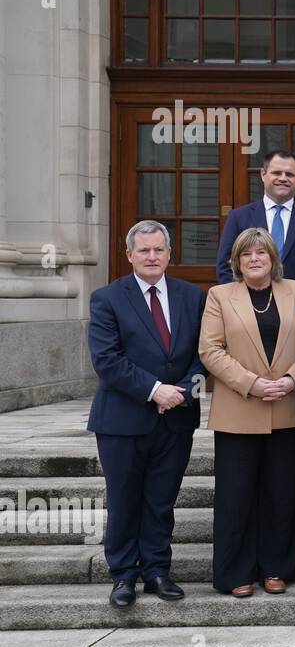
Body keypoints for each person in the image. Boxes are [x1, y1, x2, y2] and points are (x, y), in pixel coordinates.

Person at [87, 221, 205, 607]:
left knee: (161, 499)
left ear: (170, 254)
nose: (152, 257)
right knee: (124, 498)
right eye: (144, 251)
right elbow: (107, 359)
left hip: (175, 420)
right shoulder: (107, 298)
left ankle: (156, 570)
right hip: (122, 420)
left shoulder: (192, 296)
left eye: (159, 250)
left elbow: (203, 354)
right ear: (129, 256)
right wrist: (155, 390)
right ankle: (123, 575)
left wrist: (182, 393)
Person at [199, 228, 295, 597]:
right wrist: (251, 383)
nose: (254, 259)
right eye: (246, 254)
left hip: (287, 406)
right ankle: (236, 572)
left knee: (282, 493)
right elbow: (210, 350)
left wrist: (293, 380)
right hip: (239, 408)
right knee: (236, 495)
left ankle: (278, 568)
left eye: (261, 253)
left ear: (273, 258)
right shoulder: (219, 295)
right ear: (237, 261)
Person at [216, 150, 295, 285]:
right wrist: (241, 300)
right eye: (276, 173)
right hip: (247, 302)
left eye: (289, 174)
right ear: (263, 174)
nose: (283, 178)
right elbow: (225, 265)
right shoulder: (238, 217)